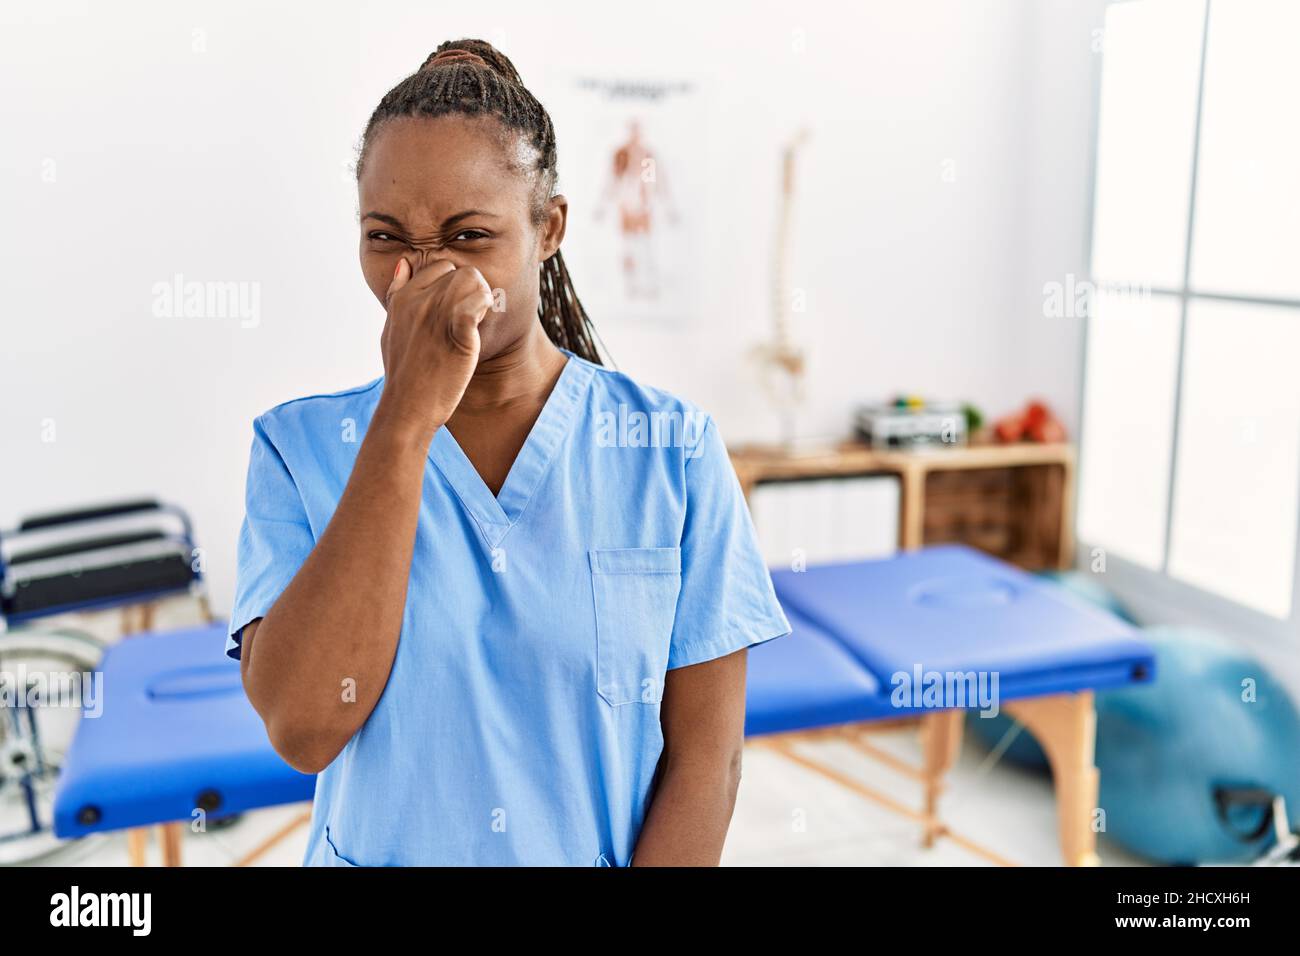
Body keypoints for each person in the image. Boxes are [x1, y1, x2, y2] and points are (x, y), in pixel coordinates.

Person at [228, 38, 789, 867]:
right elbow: (305, 727)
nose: (421, 277)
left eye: (468, 235)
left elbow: (708, 759)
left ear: (548, 228)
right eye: (386, 237)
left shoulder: (671, 451)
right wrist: (404, 422)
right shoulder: (298, 449)